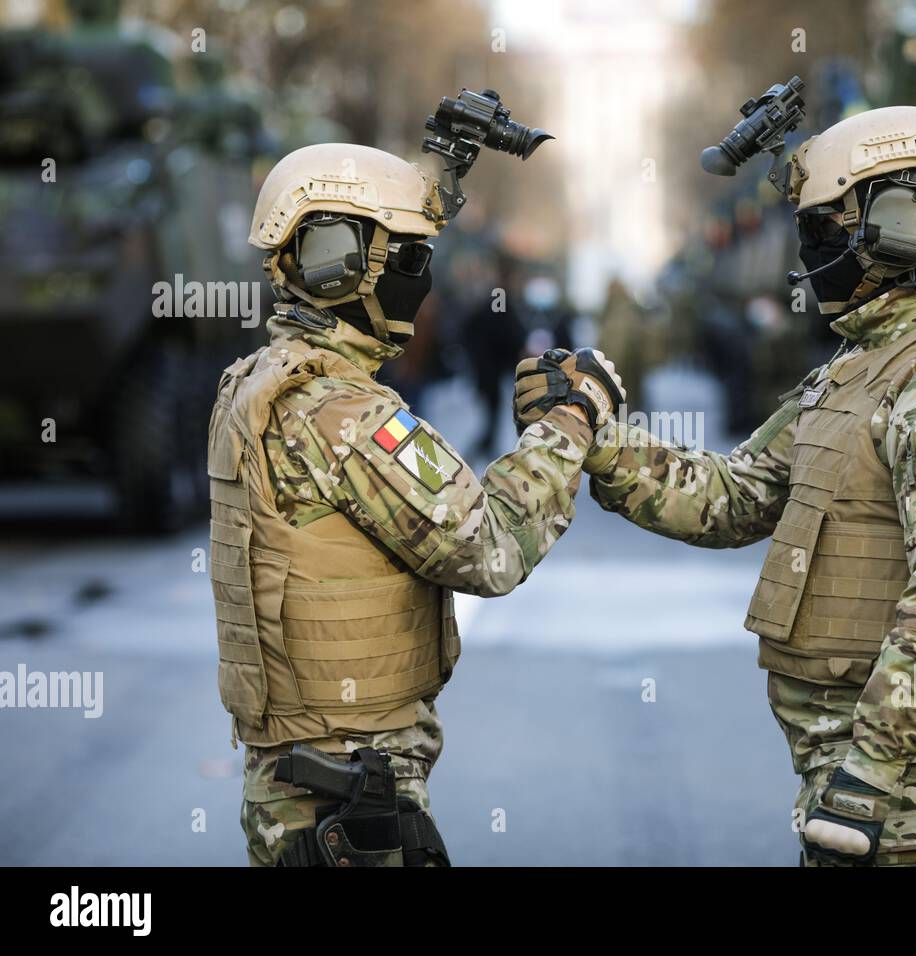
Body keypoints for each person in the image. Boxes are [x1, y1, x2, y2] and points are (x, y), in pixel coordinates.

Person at [518, 106, 916, 866]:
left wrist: (869, 773)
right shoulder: (863, 367)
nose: (810, 254)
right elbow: (734, 496)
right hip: (863, 771)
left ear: (894, 229)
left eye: (827, 233)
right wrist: (592, 435)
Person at [208, 142, 622, 866]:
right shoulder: (345, 414)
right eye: (404, 258)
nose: (418, 281)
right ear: (345, 263)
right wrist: (569, 423)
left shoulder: (251, 382)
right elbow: (489, 546)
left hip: (295, 774)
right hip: (349, 789)